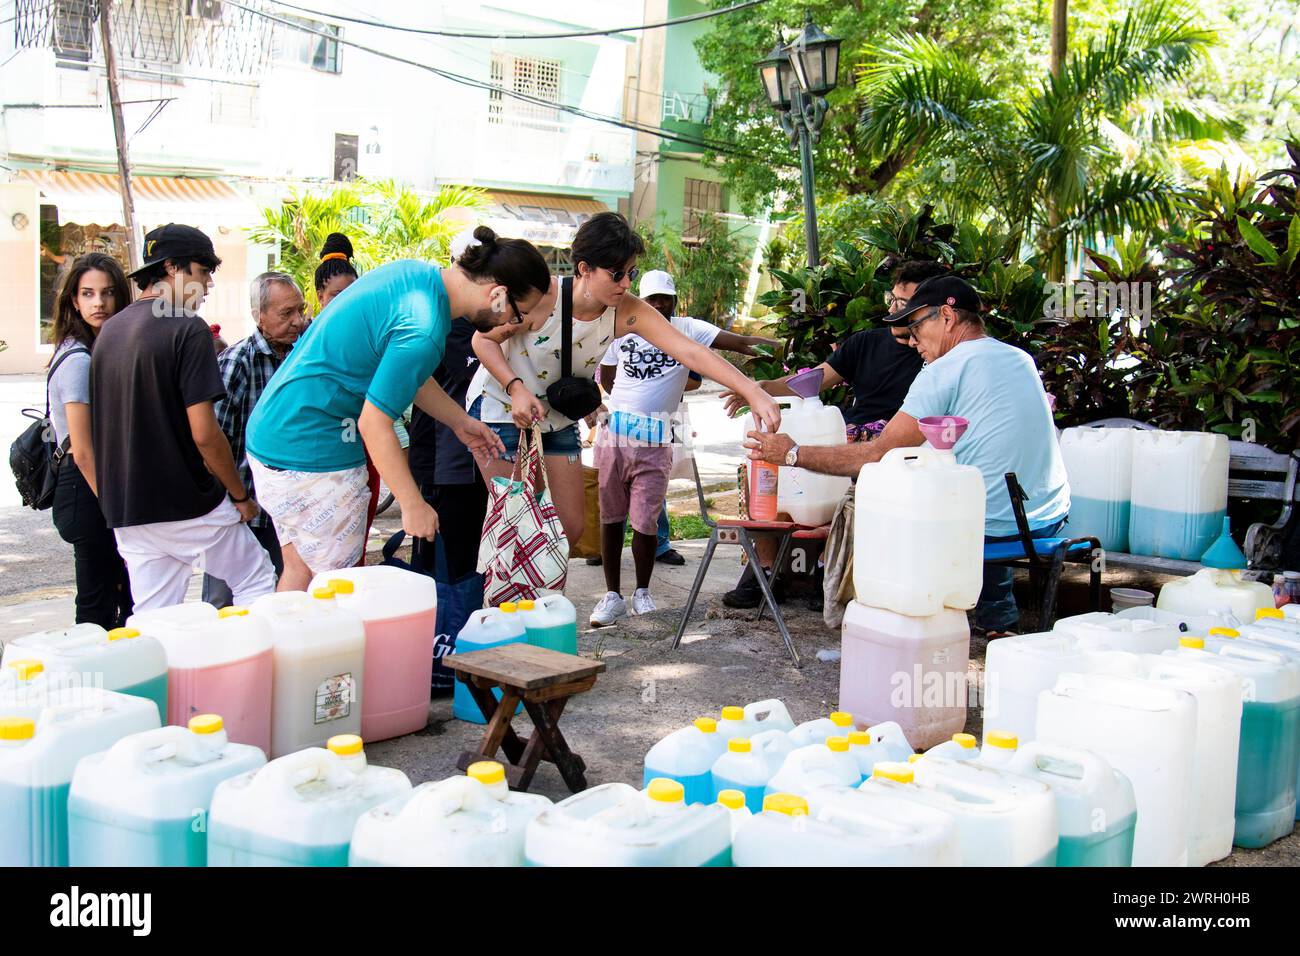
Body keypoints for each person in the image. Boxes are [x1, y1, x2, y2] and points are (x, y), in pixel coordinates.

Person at [744, 274, 1070, 637]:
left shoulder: (944, 369)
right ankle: (998, 621)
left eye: (916, 326)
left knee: (882, 502)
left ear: (947, 317)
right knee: (960, 481)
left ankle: (888, 622)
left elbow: (878, 455)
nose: (912, 341)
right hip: (1047, 520)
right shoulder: (1019, 358)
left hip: (989, 528)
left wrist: (792, 454)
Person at [245, 226, 551, 590]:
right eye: (518, 314)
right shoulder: (424, 327)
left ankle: (280, 647)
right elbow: (374, 423)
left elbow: (408, 375)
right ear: (498, 295)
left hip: (273, 435)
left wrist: (459, 422)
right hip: (314, 453)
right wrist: (412, 503)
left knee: (299, 572)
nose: (511, 325)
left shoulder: (416, 277)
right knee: (336, 591)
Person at [468, 212, 781, 554]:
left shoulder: (627, 310)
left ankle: (535, 604)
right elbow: (482, 341)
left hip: (557, 418)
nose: (627, 284)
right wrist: (516, 388)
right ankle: (508, 605)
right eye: (616, 274)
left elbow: (690, 351)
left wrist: (752, 390)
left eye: (631, 273)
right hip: (502, 411)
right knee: (516, 524)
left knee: (568, 528)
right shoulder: (541, 297)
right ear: (585, 269)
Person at [719, 259, 946, 610]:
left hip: (890, 449)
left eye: (905, 304)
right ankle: (766, 571)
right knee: (762, 466)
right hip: (843, 435)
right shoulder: (865, 343)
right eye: (893, 300)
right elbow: (812, 382)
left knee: (855, 467)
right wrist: (762, 387)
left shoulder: (940, 358)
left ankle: (829, 570)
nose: (895, 309)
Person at [91, 224, 277, 611]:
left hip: (128, 509)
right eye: (203, 270)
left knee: (155, 615)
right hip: (186, 502)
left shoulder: (110, 330)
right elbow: (205, 434)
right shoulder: (188, 329)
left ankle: (164, 673)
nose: (208, 283)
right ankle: (242, 670)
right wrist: (240, 496)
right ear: (173, 268)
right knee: (256, 577)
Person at [589, 269, 779, 626]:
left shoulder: (688, 328)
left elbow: (735, 342)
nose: (659, 304)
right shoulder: (621, 328)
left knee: (645, 521)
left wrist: (775, 346)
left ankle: (642, 592)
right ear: (641, 300)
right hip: (615, 436)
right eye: (652, 299)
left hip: (658, 439)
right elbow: (607, 377)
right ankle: (611, 594)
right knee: (611, 517)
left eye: (666, 298)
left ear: (675, 300)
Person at [202, 272, 309, 607]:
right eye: (285, 313)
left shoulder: (304, 357)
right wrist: (234, 498)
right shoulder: (237, 362)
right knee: (226, 606)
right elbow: (215, 439)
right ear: (259, 315)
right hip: (244, 510)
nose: (297, 321)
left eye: (299, 311)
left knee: (284, 605)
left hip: (293, 512)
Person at [46, 253, 134, 627]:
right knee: (98, 604)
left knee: (123, 593)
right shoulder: (79, 359)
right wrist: (116, 511)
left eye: (108, 292)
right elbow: (82, 451)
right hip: (87, 489)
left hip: (98, 487)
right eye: (88, 293)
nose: (99, 303)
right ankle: (95, 681)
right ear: (74, 300)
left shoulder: (99, 349)